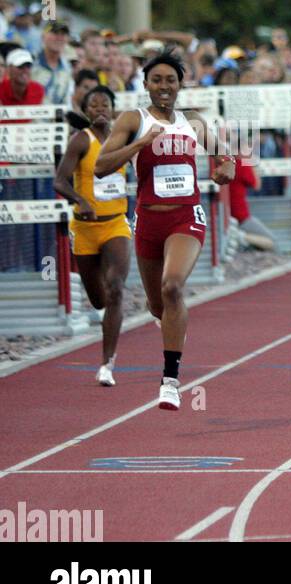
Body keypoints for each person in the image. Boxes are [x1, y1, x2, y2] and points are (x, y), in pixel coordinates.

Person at [95, 48, 236, 410]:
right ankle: (172, 324)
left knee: (172, 287)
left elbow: (225, 159)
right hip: (148, 221)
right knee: (158, 306)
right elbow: (101, 166)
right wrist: (141, 143)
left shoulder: (194, 122)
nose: (163, 86)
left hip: (185, 217)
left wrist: (225, 170)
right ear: (145, 84)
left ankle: (170, 381)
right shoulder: (132, 120)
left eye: (170, 80)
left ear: (180, 85)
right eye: (156, 80)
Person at [53, 86, 130, 386]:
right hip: (85, 229)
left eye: (105, 104)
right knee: (98, 300)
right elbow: (60, 180)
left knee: (116, 289)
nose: (100, 108)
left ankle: (107, 364)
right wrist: (79, 200)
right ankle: (105, 331)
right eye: (94, 105)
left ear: (112, 108)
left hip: (115, 224)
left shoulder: (122, 138)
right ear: (86, 111)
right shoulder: (80, 140)